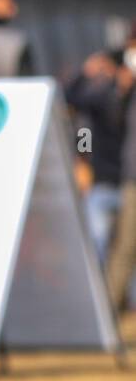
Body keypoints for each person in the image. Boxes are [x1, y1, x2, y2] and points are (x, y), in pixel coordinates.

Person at [65, 47, 129, 262]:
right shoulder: (98, 106)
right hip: (104, 179)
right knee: (103, 247)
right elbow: (75, 104)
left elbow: (74, 99)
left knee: (115, 249)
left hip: (119, 182)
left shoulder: (117, 98)